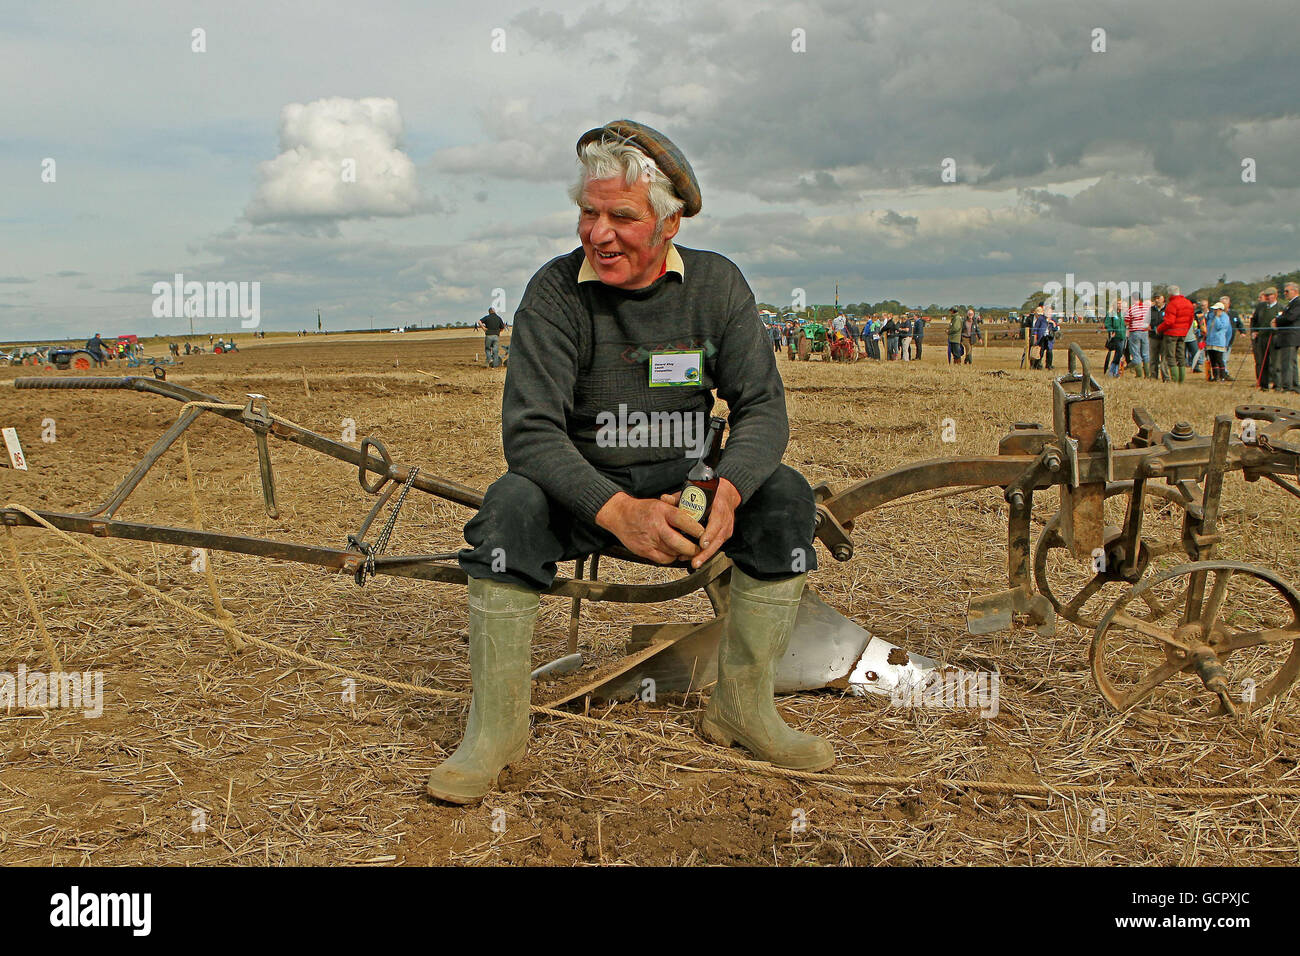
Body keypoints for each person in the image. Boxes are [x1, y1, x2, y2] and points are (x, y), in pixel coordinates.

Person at [427, 119, 833, 806]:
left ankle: (741, 705)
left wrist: (729, 492)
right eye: (589, 213)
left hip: (691, 489)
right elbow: (531, 433)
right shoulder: (556, 294)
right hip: (584, 492)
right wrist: (618, 512)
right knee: (509, 509)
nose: (599, 233)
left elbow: (762, 409)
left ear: (669, 223)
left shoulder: (717, 286)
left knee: (787, 497)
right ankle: (496, 731)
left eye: (622, 216)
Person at [1156, 287, 1193, 383]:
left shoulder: (1172, 304)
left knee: (1171, 356)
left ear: (1170, 294)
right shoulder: (1188, 303)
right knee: (1181, 356)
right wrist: (1185, 330)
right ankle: (1181, 380)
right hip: (1183, 333)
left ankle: (1175, 380)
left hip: (1172, 333)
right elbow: (1190, 320)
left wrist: (1159, 329)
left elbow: (1169, 322)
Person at [1271, 282, 1300, 394]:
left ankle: (1288, 387)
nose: (1285, 293)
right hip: (1288, 337)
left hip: (1290, 337)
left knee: (1287, 363)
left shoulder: (1297, 302)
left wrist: (1277, 321)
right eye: (1284, 291)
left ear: (1295, 291)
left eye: (1287, 291)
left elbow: (1291, 317)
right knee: (1291, 362)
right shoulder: (1291, 303)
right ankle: (1294, 386)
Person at [1252, 287, 1282, 390]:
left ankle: (1277, 384)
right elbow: (1254, 320)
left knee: (1276, 363)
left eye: (1269, 295)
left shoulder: (1281, 308)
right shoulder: (1261, 306)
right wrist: (1254, 331)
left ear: (1275, 295)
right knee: (1262, 361)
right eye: (1266, 295)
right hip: (1262, 338)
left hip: (1275, 338)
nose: (1267, 297)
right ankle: (1263, 385)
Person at [1204, 301, 1232, 382]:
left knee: (1219, 360)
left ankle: (1222, 376)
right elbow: (1209, 327)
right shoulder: (1211, 316)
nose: (1215, 311)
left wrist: (1217, 318)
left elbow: (1220, 327)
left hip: (1219, 341)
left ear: (1221, 310)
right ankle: (1215, 376)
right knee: (1213, 360)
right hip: (1210, 341)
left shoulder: (1225, 317)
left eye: (1216, 309)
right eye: (1214, 309)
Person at [1103, 305, 1126, 376]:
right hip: (1115, 337)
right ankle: (1113, 371)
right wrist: (1112, 331)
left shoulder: (1122, 314)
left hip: (1122, 336)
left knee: (1119, 353)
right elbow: (1107, 324)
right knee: (1118, 353)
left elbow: (1124, 324)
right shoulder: (1111, 314)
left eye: (1121, 304)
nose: (1120, 305)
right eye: (1118, 304)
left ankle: (1114, 370)